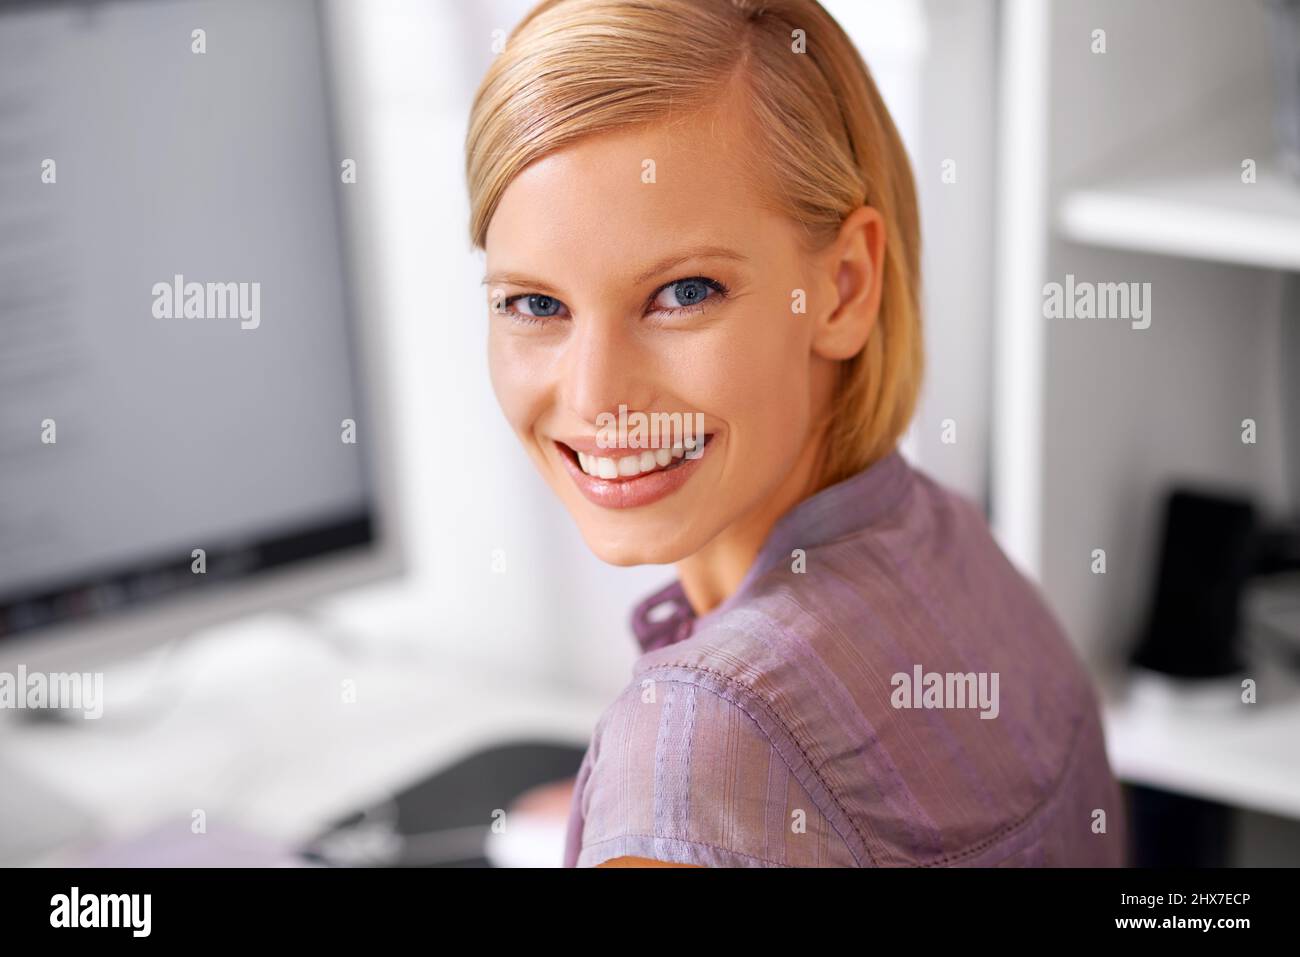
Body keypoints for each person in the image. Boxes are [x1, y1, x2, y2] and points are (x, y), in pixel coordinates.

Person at [465, 0, 1126, 867]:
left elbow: (731, 763)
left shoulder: (703, 742)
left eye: (685, 292)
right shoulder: (952, 540)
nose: (596, 398)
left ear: (845, 287)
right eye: (535, 303)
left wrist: (661, 792)